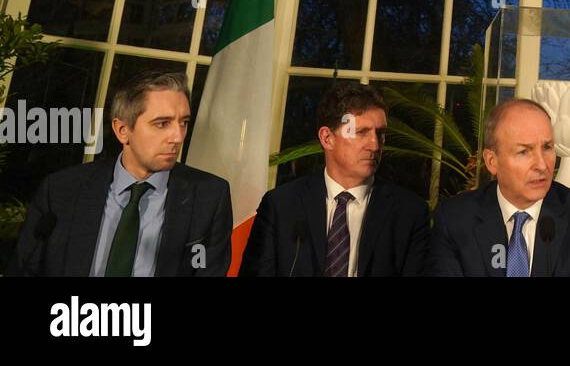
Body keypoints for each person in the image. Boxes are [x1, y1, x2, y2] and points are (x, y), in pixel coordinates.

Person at [8, 71, 232, 276]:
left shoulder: (209, 197)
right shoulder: (61, 190)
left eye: (183, 122)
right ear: (122, 130)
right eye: (162, 123)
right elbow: (24, 270)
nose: (178, 136)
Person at [240, 83, 430, 276]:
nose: (374, 145)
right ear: (327, 138)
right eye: (361, 132)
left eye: (380, 134)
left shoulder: (409, 212)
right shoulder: (281, 205)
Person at [430, 98, 570, 276]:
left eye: (547, 147)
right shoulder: (454, 219)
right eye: (524, 151)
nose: (541, 165)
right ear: (492, 161)